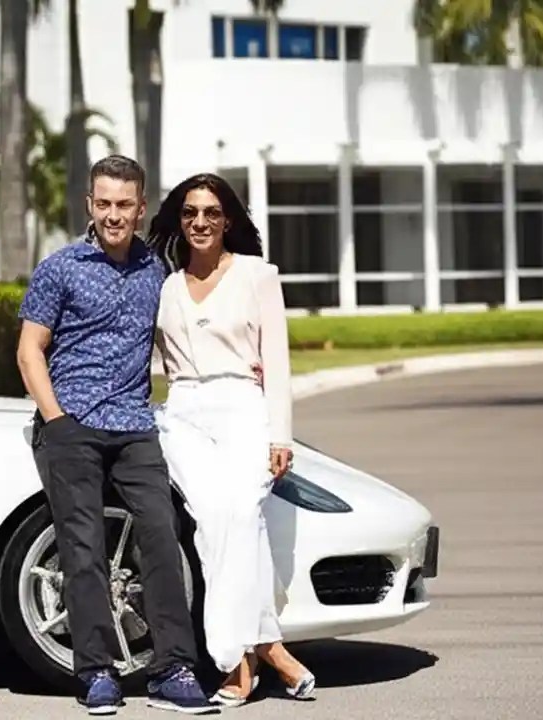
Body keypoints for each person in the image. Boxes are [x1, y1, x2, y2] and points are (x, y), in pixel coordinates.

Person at [16, 155, 217, 716]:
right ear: (89, 205)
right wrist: (55, 419)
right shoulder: (60, 268)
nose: (113, 215)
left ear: (140, 207)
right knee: (83, 547)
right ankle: (97, 672)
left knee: (161, 532)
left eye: (124, 205)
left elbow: (194, 323)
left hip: (133, 425)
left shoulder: (155, 272)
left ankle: (174, 668)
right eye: (103, 203)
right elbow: (30, 350)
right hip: (70, 422)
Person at [146, 172, 317, 705]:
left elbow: (279, 364)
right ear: (180, 219)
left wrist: (280, 435)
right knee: (216, 520)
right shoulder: (165, 284)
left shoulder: (258, 276)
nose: (200, 222)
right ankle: (257, 649)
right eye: (191, 212)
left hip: (245, 406)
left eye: (212, 213)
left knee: (240, 517)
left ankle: (240, 655)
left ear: (228, 221)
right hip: (185, 413)